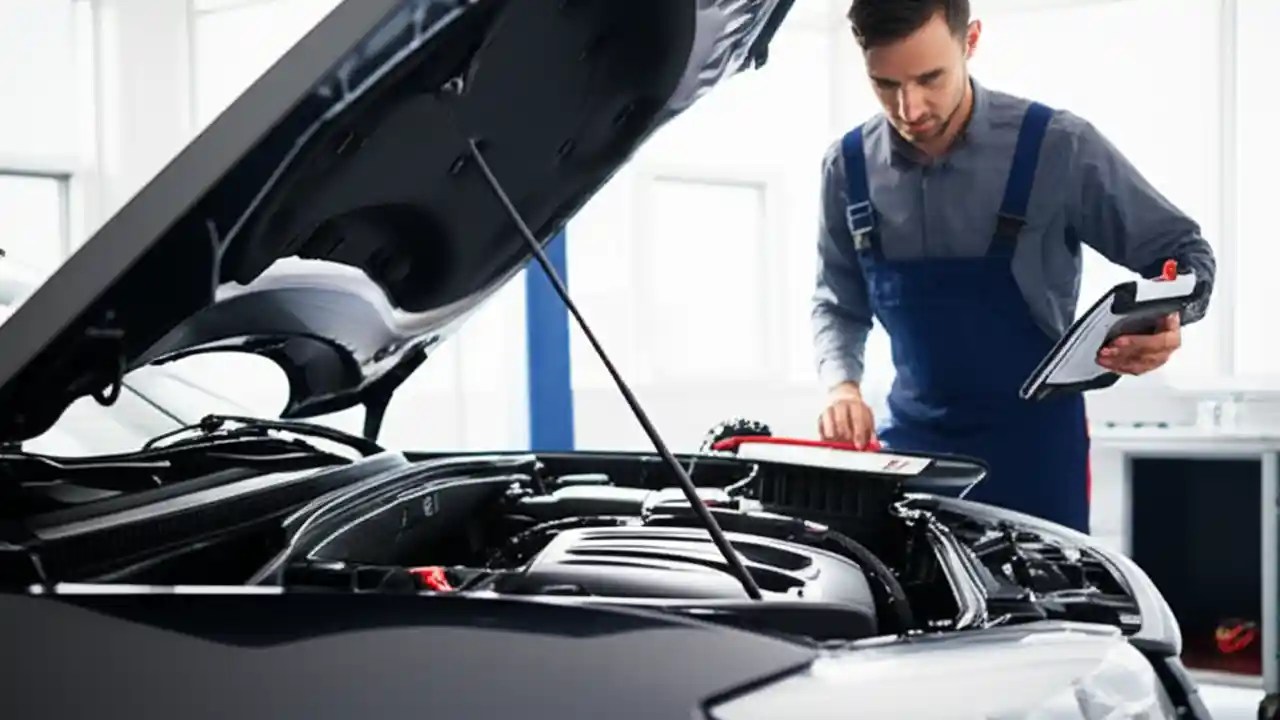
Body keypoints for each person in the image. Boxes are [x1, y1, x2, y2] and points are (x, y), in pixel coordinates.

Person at [810, 0, 1216, 533]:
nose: (910, 109)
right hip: (911, 455)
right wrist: (842, 385)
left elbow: (1185, 256)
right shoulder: (847, 168)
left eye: (930, 78)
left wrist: (1168, 320)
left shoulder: (1060, 148)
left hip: (1037, 457)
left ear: (970, 41)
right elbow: (837, 303)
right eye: (885, 84)